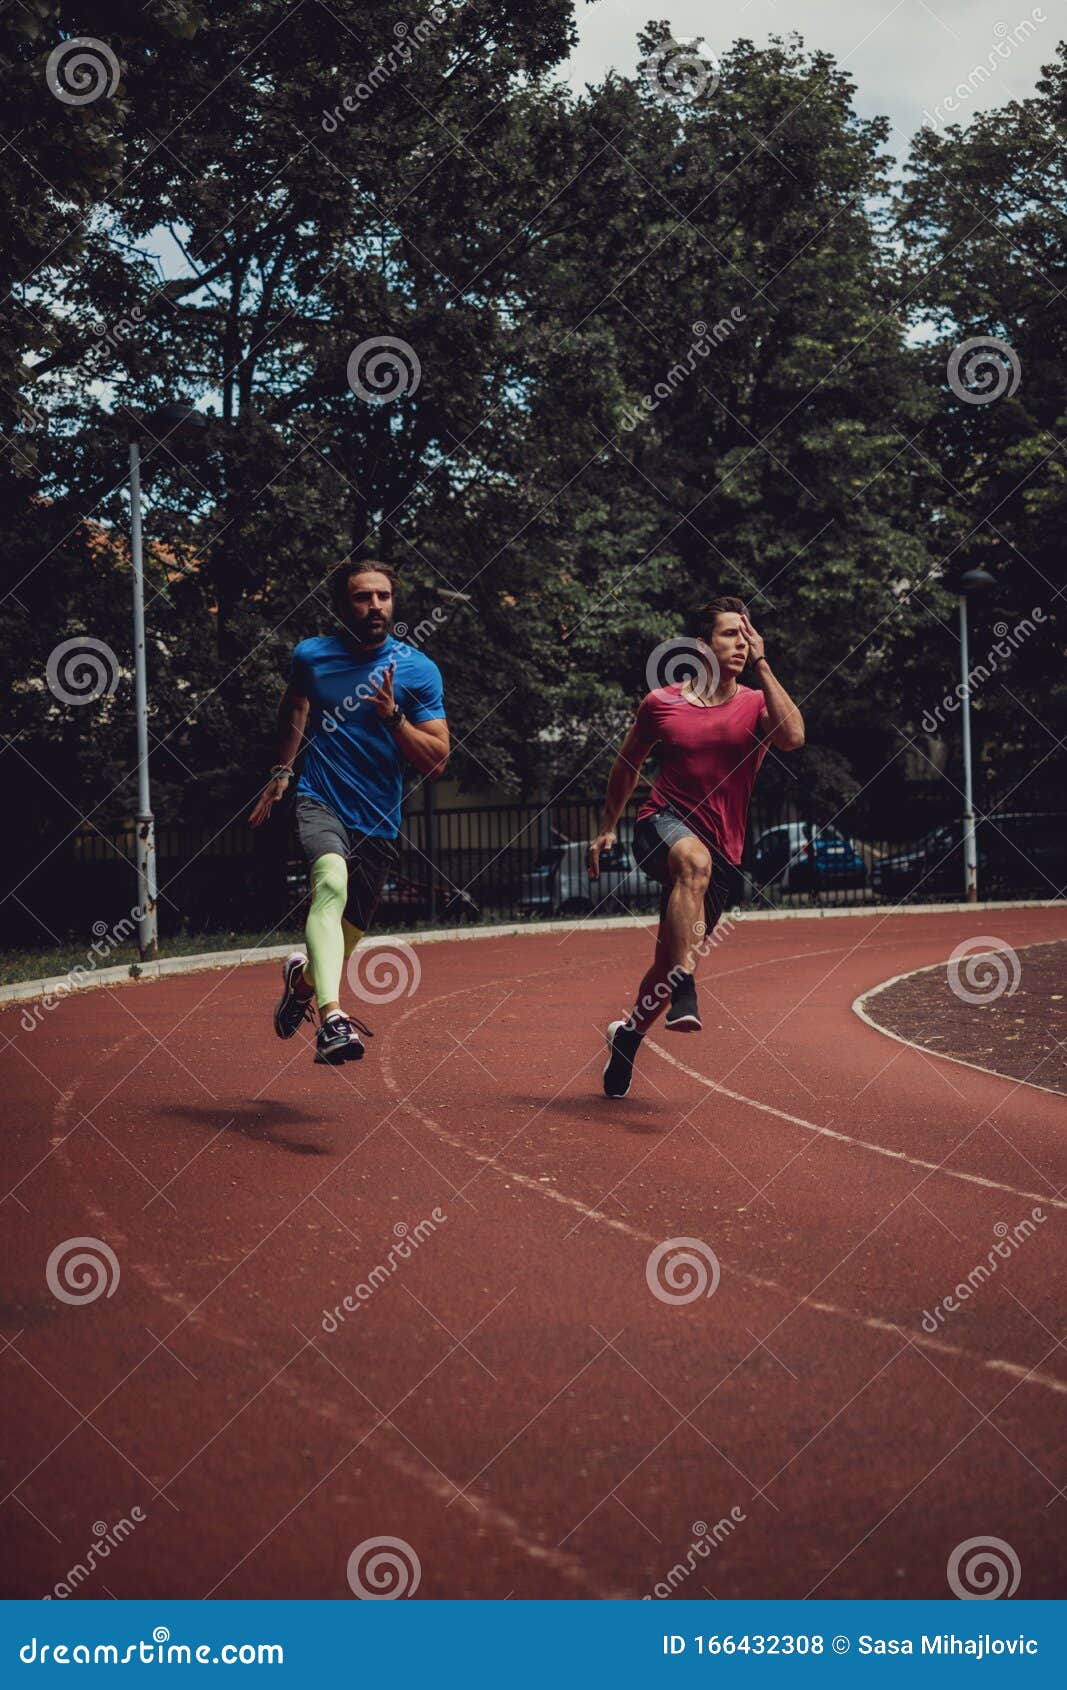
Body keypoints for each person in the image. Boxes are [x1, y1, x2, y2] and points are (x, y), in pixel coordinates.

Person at [588, 596, 804, 1098]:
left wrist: (765, 662)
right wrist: (607, 827)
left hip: (723, 854)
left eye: (747, 636)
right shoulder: (662, 703)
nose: (741, 644)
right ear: (702, 646)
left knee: (667, 967)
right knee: (692, 860)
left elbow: (793, 736)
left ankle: (628, 1036)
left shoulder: (755, 703)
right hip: (660, 825)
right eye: (730, 634)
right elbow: (627, 765)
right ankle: (687, 984)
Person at [249, 562, 449, 1065]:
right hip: (320, 797)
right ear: (343, 605)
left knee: (345, 936)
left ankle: (302, 983)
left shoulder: (418, 670)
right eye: (363, 597)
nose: (376, 606)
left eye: (383, 596)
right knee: (330, 882)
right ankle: (333, 1019)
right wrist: (282, 770)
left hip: (378, 817)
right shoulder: (312, 657)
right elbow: (295, 706)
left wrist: (394, 718)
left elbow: (438, 759)